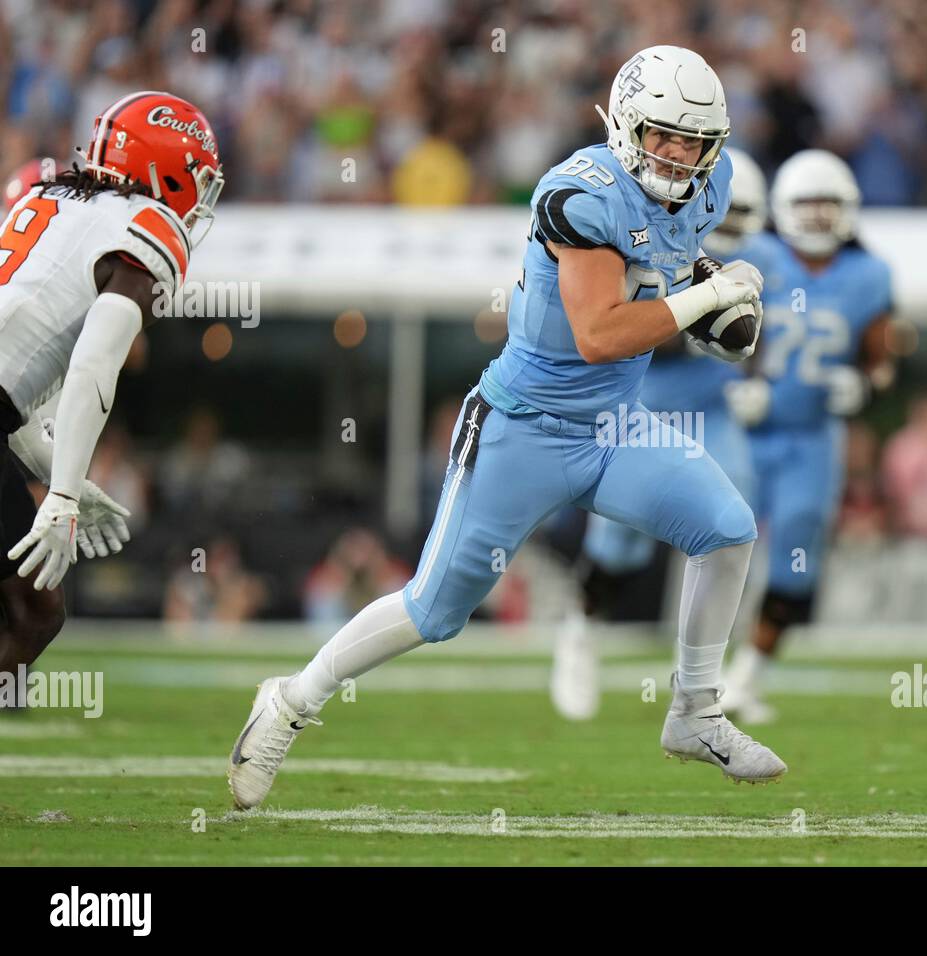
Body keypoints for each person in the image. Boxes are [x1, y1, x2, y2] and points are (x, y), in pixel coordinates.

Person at [229, 47, 786, 811]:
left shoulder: (709, 186)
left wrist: (713, 307)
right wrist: (709, 296)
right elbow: (599, 333)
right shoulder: (578, 194)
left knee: (728, 528)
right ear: (627, 127)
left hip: (614, 426)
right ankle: (289, 701)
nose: (679, 156)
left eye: (693, 143)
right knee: (434, 610)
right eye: (664, 137)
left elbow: (671, 265)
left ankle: (695, 711)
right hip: (523, 426)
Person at [0, 91, 223, 678]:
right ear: (166, 169)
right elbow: (94, 365)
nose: (200, 194)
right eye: (197, 176)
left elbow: (11, 390)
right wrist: (65, 496)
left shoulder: (46, 196)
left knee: (29, 606)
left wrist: (57, 472)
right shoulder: (148, 229)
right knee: (33, 611)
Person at [549, 149, 768, 721]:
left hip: (712, 406)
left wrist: (748, 362)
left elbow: (760, 337)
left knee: (733, 514)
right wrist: (695, 313)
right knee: (617, 543)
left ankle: (701, 674)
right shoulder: (641, 230)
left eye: (740, 214)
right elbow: (624, 328)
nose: (727, 226)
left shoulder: (761, 256)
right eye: (723, 210)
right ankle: (581, 630)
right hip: (644, 398)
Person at [721, 149, 893, 724]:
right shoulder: (756, 256)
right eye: (807, 205)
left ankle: (746, 678)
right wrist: (734, 381)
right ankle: (695, 672)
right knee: (718, 543)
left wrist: (865, 386)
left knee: (796, 557)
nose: (818, 218)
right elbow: (711, 327)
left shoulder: (869, 275)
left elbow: (882, 359)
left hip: (814, 438)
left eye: (829, 205)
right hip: (744, 432)